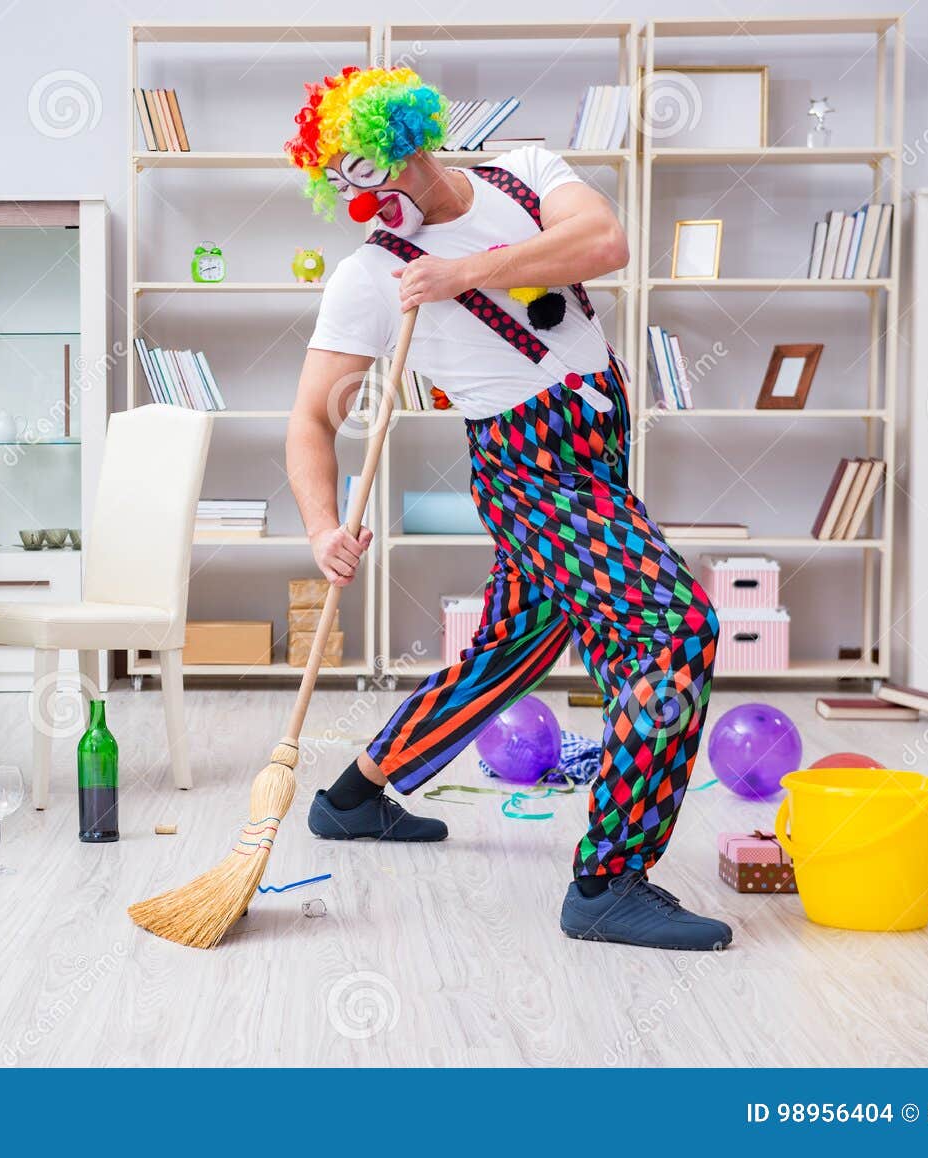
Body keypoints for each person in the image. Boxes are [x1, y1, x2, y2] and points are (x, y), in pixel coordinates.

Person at [283, 66, 730, 951]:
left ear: (408, 142)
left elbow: (603, 242)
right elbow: (310, 417)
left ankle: (352, 799)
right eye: (334, 181)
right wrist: (321, 528)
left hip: (598, 437)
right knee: (673, 630)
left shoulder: (527, 171)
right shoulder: (370, 276)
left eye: (361, 171)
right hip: (529, 468)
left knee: (513, 650)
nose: (354, 199)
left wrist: (465, 273)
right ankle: (609, 882)